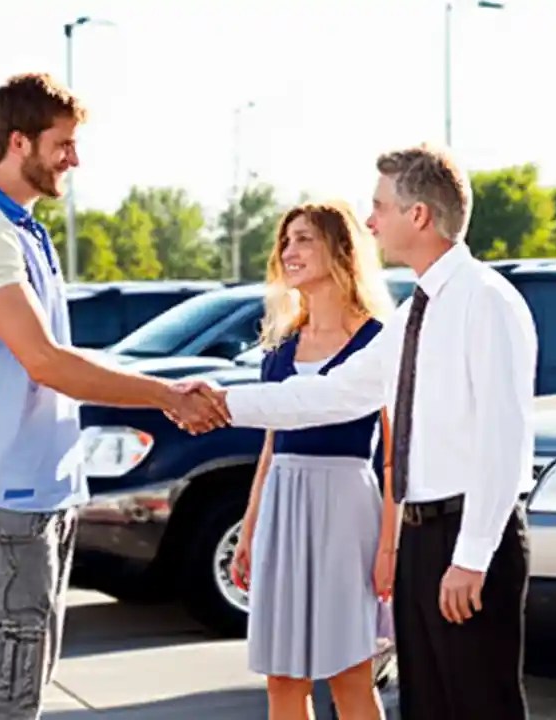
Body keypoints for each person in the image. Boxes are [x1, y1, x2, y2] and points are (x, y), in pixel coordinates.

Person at [175, 143, 537, 720]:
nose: (370, 222)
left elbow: (504, 439)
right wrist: (223, 403)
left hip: (467, 535)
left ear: (418, 216)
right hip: (423, 535)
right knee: (427, 707)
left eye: (380, 207)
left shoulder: (485, 301)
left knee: (477, 705)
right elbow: (333, 394)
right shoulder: (418, 310)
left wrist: (471, 558)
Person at [0, 72, 225, 720]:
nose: (75, 159)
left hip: (45, 490)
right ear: (18, 142)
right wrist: (167, 396)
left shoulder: (24, 230)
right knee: (6, 699)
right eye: (63, 144)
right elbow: (43, 361)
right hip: (5, 493)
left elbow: (56, 355)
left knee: (25, 689)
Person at [231, 200, 399, 720]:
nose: (290, 250)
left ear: (341, 249)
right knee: (282, 679)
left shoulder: (379, 341)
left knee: (349, 674)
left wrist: (389, 547)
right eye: (286, 241)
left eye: (304, 238)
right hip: (283, 504)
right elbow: (269, 446)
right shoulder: (280, 348)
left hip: (347, 511)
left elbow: (396, 459)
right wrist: (250, 527)